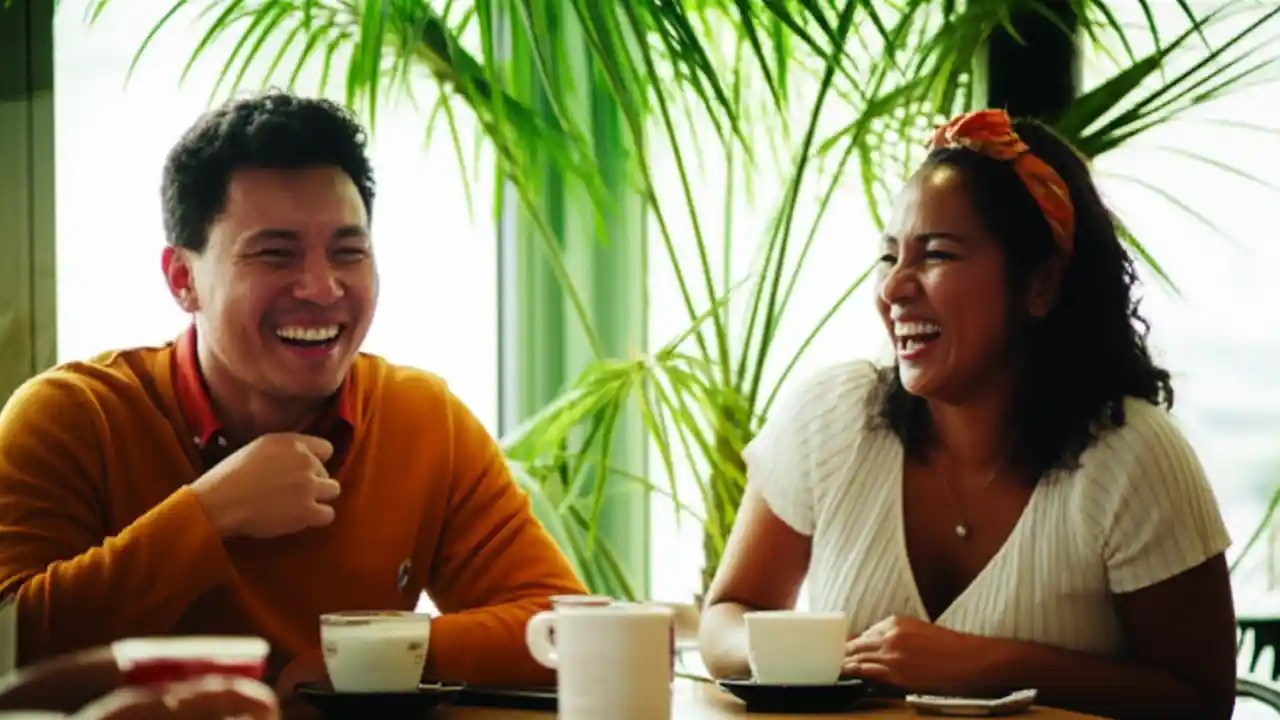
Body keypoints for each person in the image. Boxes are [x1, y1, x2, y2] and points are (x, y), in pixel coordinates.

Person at [0, 90, 586, 694]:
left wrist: (368, 655)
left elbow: (563, 633)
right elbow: (10, 644)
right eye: (275, 254)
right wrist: (208, 515)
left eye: (348, 252)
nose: (322, 287)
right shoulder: (73, 417)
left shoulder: (421, 418)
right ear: (182, 279)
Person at [698, 109, 1236, 719]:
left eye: (937, 255)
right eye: (889, 257)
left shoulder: (1132, 456)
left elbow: (1201, 702)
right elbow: (726, 616)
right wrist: (818, 659)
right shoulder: (832, 417)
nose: (894, 289)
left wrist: (987, 665)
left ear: (1040, 285)